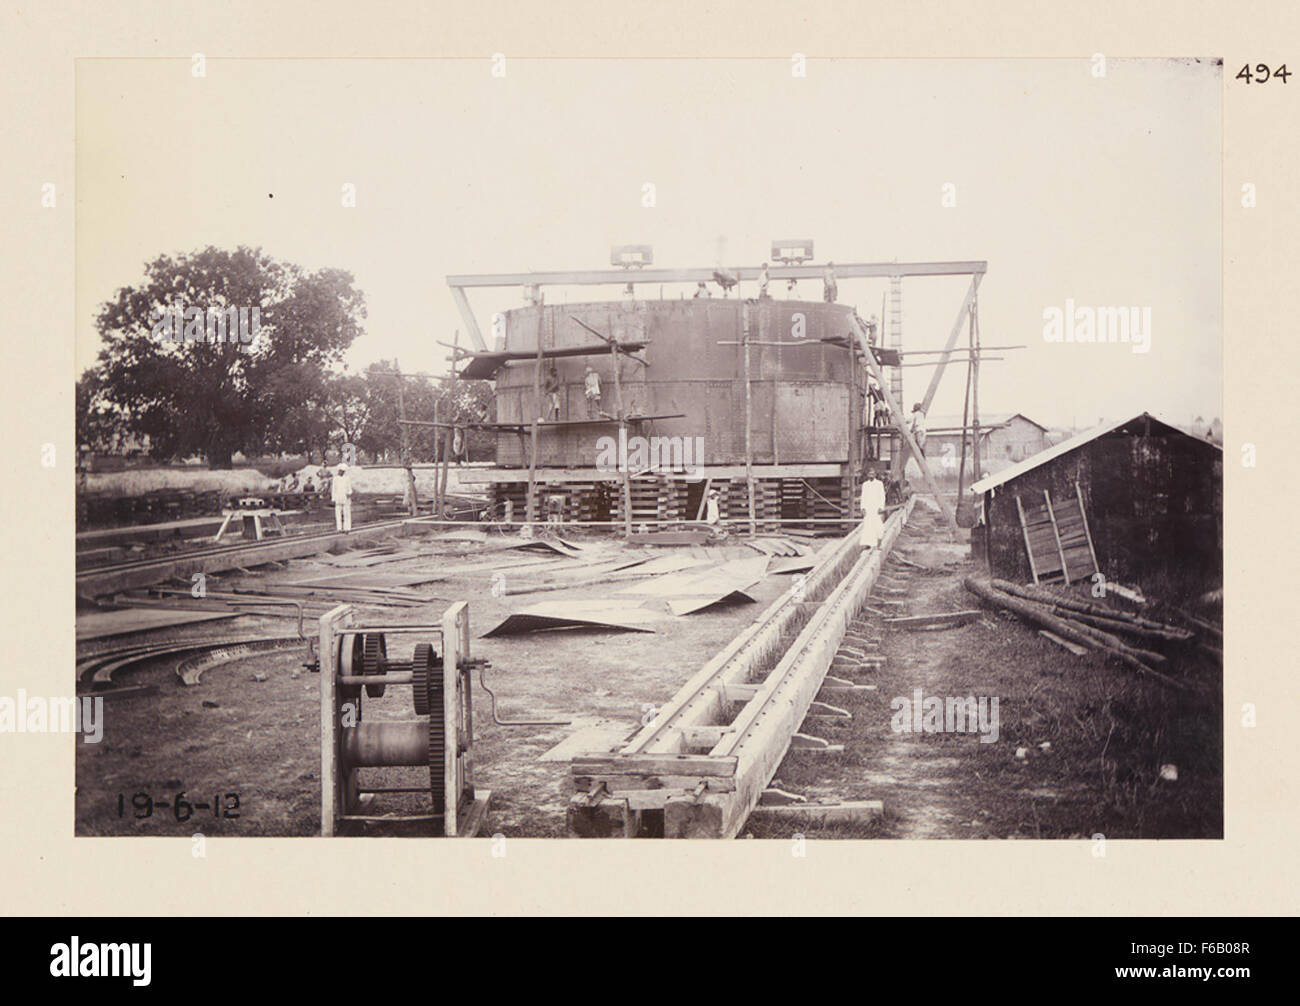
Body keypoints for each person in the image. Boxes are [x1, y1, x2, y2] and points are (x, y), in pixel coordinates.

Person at [859, 468, 885, 548]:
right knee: (868, 525)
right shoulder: (865, 484)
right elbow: (863, 497)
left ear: (875, 475)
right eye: (870, 474)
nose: (871, 475)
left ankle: (879, 541)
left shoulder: (879, 484)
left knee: (877, 525)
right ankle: (868, 543)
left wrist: (881, 506)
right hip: (868, 507)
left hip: (876, 507)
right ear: (867, 475)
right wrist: (863, 508)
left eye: (873, 474)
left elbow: (882, 496)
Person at [331, 462, 353, 532]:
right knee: (338, 514)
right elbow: (333, 489)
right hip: (338, 498)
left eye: (342, 471)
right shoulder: (335, 479)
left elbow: (350, 489)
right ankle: (339, 528)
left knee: (346, 513)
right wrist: (333, 498)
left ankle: (347, 528)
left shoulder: (347, 478)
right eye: (340, 471)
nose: (341, 472)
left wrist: (349, 493)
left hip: (345, 498)